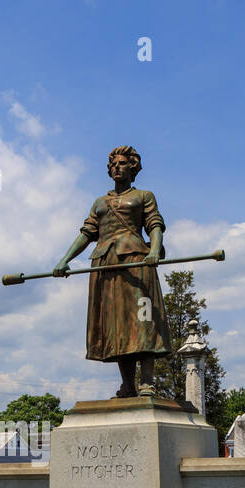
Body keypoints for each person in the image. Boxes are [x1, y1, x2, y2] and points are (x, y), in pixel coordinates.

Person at [54, 145, 171, 397]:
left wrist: (154, 251)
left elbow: (155, 225)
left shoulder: (144, 196)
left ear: (133, 167)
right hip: (106, 266)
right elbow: (86, 234)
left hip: (137, 264)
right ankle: (127, 385)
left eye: (122, 164)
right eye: (113, 164)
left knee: (143, 321)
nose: (117, 167)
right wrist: (65, 260)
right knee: (117, 327)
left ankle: (146, 382)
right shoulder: (100, 203)